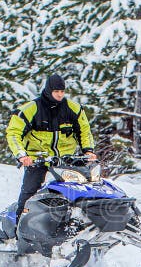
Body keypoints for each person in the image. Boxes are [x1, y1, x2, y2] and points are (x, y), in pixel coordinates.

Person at [6, 74, 96, 219]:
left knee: (79, 189)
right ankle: (19, 226)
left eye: (62, 91)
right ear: (48, 91)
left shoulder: (74, 109)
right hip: (37, 159)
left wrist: (88, 151)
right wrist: (22, 155)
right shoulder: (31, 109)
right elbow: (13, 133)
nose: (60, 95)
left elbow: (84, 131)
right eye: (56, 92)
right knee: (30, 191)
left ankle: (81, 220)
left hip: (65, 160)